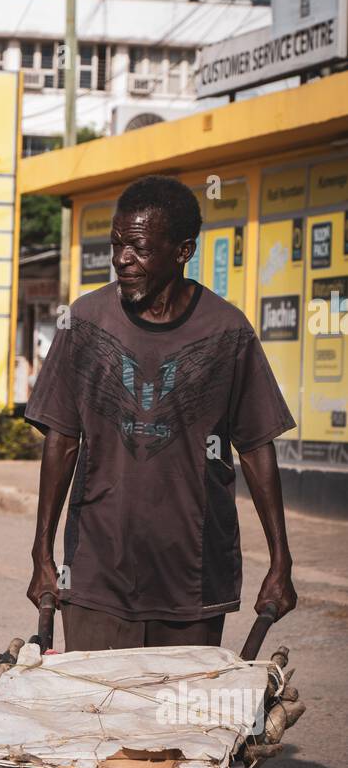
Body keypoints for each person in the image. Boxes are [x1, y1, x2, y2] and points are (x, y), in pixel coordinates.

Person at [25, 174, 297, 652]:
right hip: (97, 576)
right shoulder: (83, 323)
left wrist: (281, 563)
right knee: (94, 718)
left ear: (183, 250)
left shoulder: (226, 331)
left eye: (139, 248)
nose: (122, 260)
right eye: (116, 245)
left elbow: (256, 449)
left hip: (192, 579)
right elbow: (62, 440)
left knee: (184, 725)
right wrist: (41, 553)